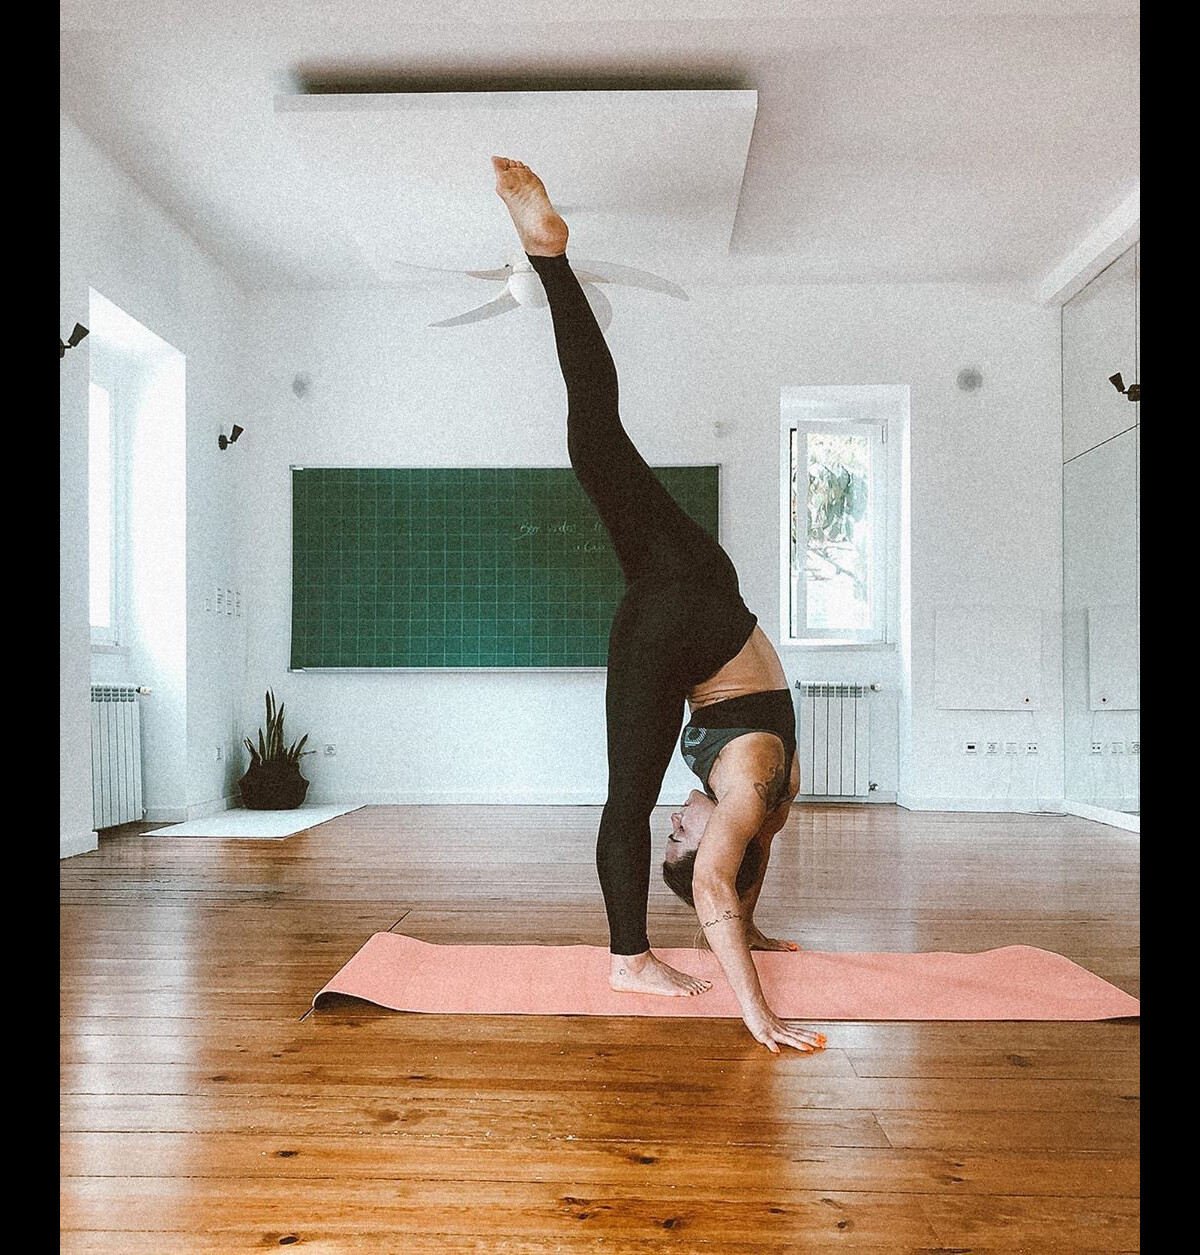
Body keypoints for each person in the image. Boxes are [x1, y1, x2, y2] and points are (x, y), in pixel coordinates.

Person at [493, 156, 826, 1055]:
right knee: (623, 800)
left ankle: (551, 262)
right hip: (683, 616)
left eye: (675, 836)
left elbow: (741, 876)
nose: (684, 819)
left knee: (594, 436)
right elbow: (721, 883)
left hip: (696, 586)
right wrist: (759, 1012)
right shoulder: (752, 790)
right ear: (727, 834)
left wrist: (748, 928)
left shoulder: (761, 804)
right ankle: (627, 956)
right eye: (691, 834)